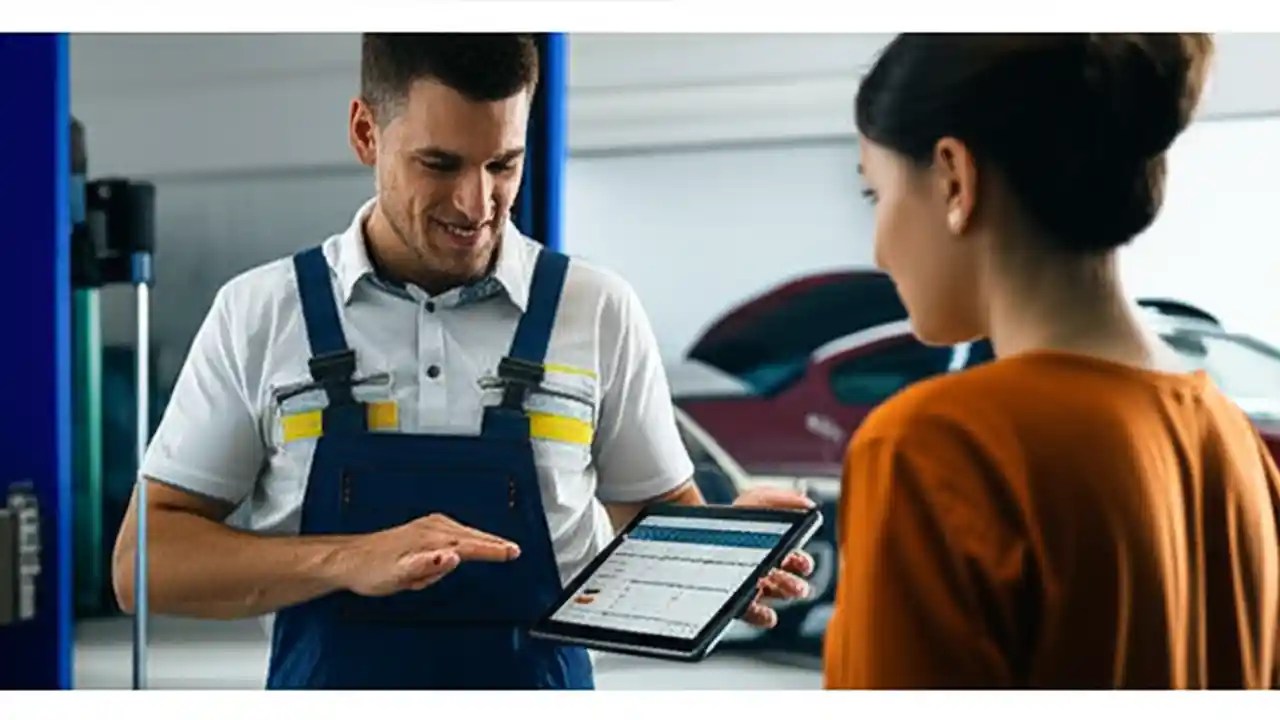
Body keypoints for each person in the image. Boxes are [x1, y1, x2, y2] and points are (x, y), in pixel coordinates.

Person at [110, 33, 814, 690]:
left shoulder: (596, 308)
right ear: (365, 132)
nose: (478, 205)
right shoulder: (260, 313)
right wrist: (346, 558)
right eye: (439, 164)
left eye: (503, 164)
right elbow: (145, 565)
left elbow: (654, 528)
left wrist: (724, 561)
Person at [824, 33, 1280, 689]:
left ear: (954, 177)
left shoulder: (934, 448)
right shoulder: (1231, 440)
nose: (877, 252)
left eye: (876, 195)